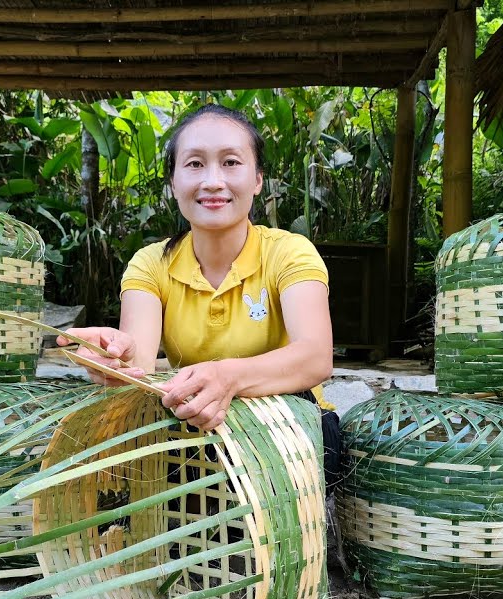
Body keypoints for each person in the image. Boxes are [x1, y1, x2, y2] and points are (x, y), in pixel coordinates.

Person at [58, 103, 340, 478]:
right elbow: (137, 365)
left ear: (257, 179)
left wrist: (228, 377)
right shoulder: (151, 263)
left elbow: (315, 358)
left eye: (231, 163)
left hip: (293, 430)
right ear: (173, 182)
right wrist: (114, 356)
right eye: (194, 164)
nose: (212, 181)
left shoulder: (289, 252)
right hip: (196, 430)